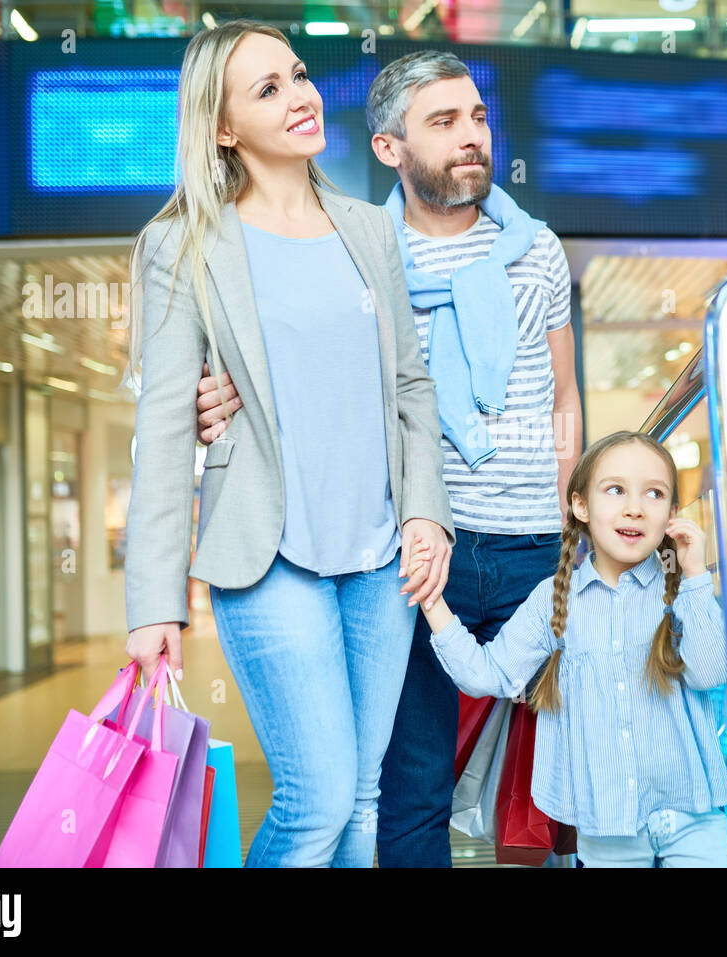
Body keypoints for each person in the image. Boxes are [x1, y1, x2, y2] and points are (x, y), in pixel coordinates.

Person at [193, 50, 582, 867]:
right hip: (412, 555)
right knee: (406, 792)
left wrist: (568, 540)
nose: (471, 136)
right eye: (443, 122)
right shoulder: (359, 252)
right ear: (388, 149)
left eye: (476, 117)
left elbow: (563, 400)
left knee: (554, 789)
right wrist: (213, 398)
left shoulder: (538, 250)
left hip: (534, 550)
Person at [121, 19, 454, 868]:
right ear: (223, 127)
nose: (301, 95)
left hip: (382, 559)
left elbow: (410, 388)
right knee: (318, 800)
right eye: (267, 88)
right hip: (267, 557)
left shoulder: (369, 230)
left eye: (298, 74)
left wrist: (427, 517)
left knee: (365, 799)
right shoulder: (182, 243)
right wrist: (154, 601)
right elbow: (163, 424)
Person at [407, 431, 727, 867]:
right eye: (615, 490)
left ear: (671, 514)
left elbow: (711, 672)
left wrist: (695, 576)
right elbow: (487, 675)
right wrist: (431, 600)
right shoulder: (553, 599)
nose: (634, 507)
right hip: (605, 827)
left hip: (694, 818)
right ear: (580, 505)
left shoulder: (679, 591)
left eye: (653, 494)